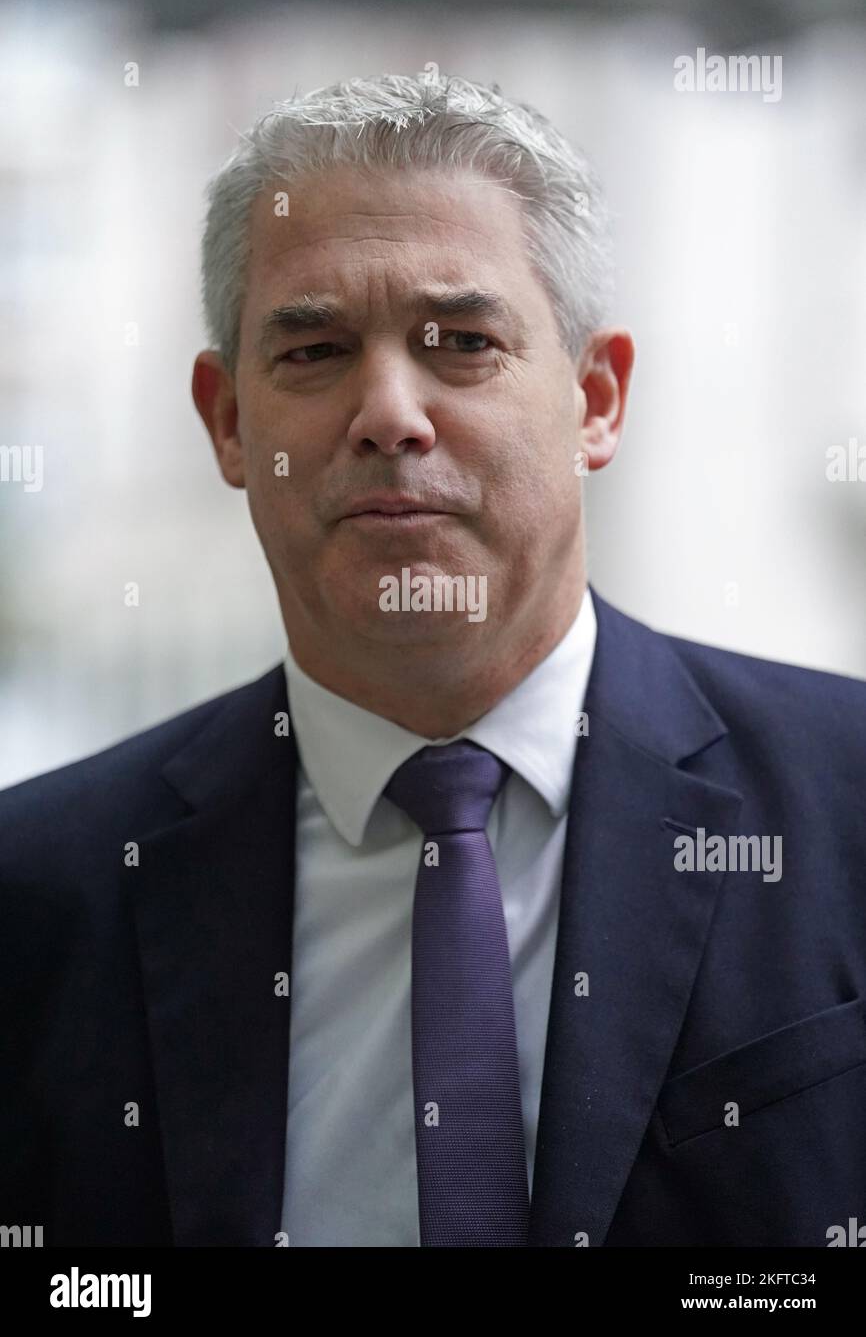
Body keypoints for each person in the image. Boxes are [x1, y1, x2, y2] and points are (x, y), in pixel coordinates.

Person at [1, 73, 864, 1249]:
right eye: (311, 351)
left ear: (594, 398)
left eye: (460, 343)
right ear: (229, 426)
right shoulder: (41, 895)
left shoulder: (842, 800)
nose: (388, 412)